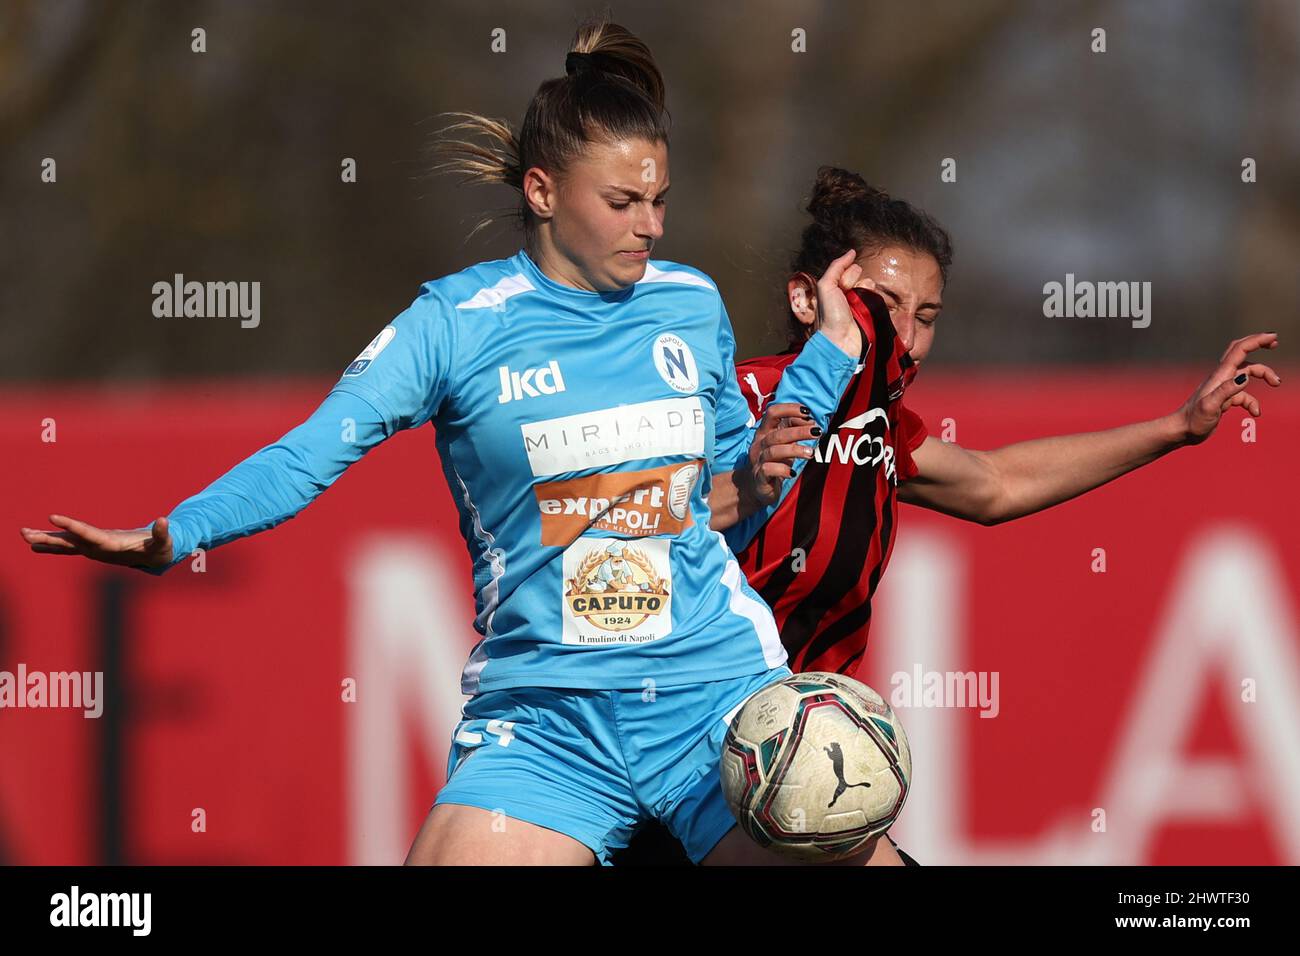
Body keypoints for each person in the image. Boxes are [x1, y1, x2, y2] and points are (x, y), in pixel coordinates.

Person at [20, 21, 903, 867]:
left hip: (713, 702)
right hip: (549, 723)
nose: (652, 226)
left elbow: (723, 509)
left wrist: (811, 389)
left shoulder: (687, 303)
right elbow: (311, 452)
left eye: (660, 201)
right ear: (544, 192)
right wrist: (179, 533)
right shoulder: (453, 324)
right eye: (624, 202)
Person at [614, 166, 1283, 865]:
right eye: (883, 304)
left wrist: (1176, 427)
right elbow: (628, 523)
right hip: (689, 749)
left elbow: (994, 483)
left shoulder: (882, 429)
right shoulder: (740, 402)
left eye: (926, 316)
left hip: (792, 762)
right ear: (807, 300)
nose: (905, 335)